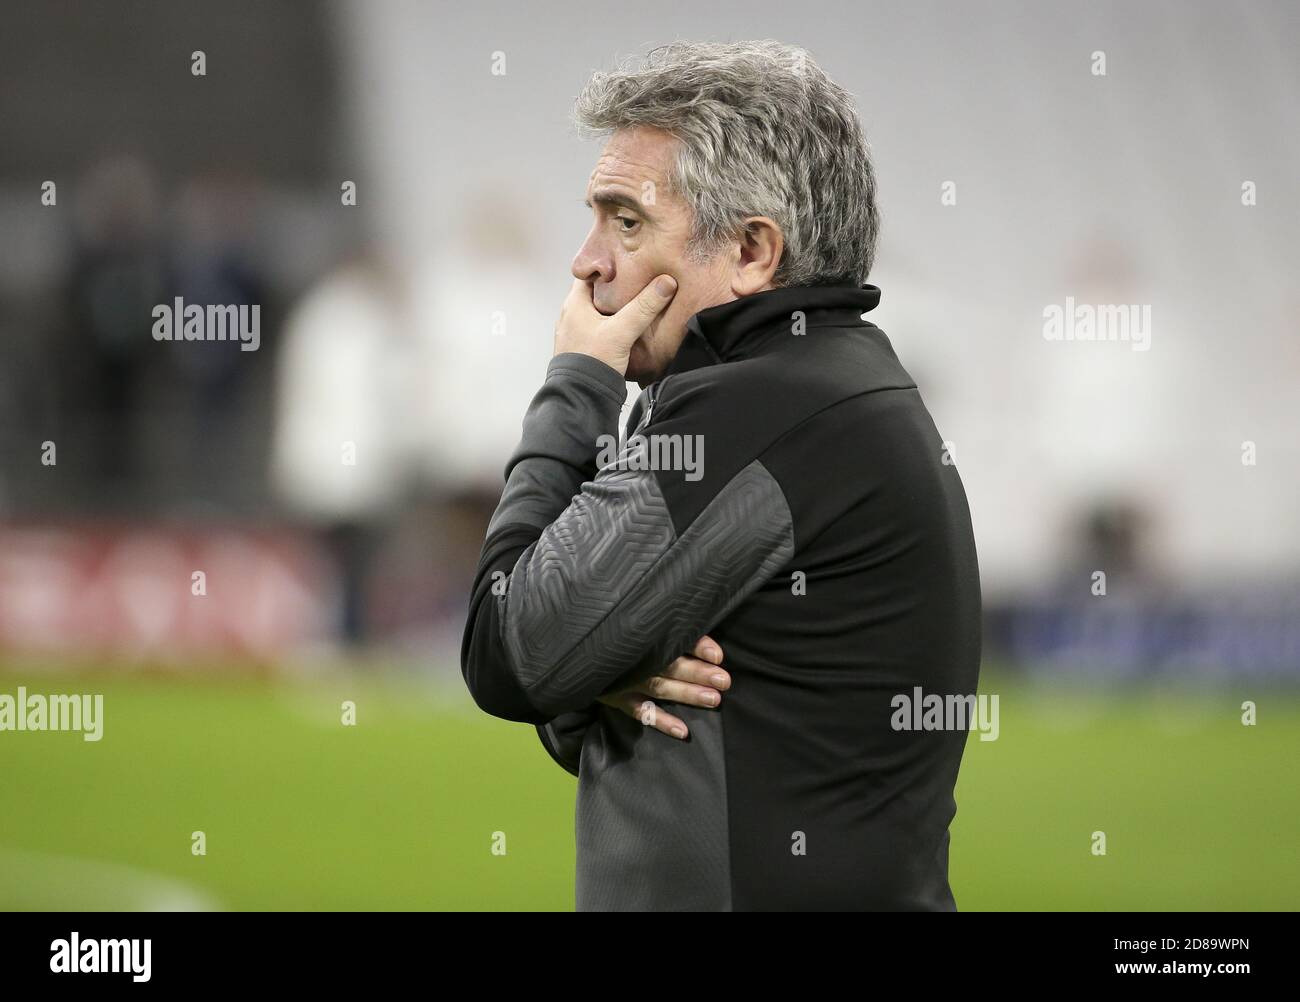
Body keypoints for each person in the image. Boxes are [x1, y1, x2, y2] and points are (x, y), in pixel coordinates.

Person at [461, 40, 981, 910]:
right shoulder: (828, 381)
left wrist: (575, 385)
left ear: (750, 251)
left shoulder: (768, 407)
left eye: (627, 221)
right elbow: (558, 673)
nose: (586, 262)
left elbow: (507, 650)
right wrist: (594, 667)